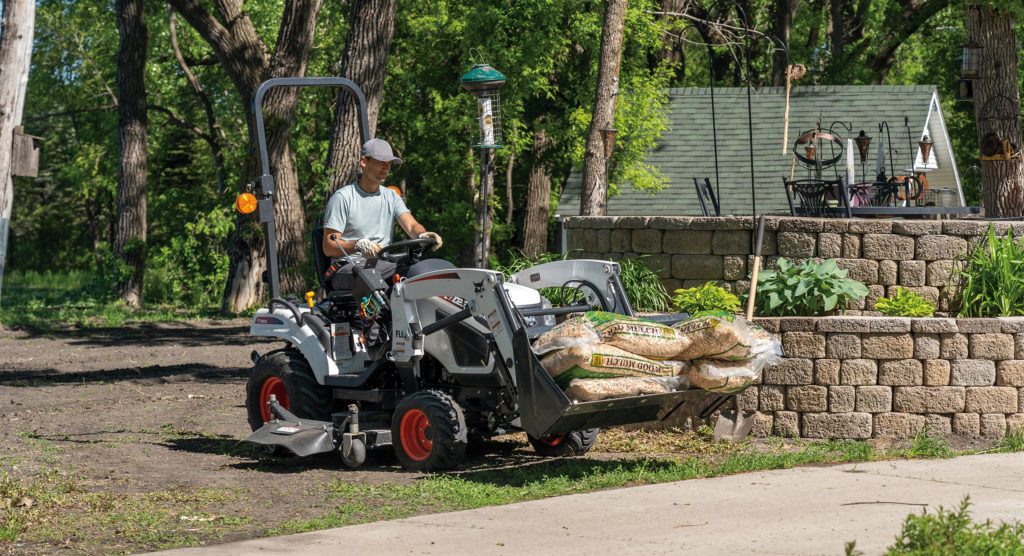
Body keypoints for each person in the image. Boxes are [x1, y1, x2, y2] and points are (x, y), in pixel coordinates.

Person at [322, 138, 442, 291]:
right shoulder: (343, 198)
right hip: (347, 267)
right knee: (403, 274)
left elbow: (411, 226)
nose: (387, 168)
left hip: (382, 264)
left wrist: (424, 235)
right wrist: (358, 245)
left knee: (426, 272)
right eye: (381, 162)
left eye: (389, 164)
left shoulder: (391, 196)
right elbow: (328, 246)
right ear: (364, 162)